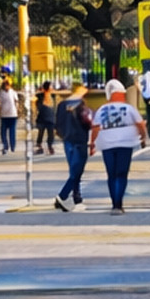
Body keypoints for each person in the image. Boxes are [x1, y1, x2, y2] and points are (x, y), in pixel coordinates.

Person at [90, 81, 146, 214]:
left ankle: (114, 203)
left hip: (107, 144)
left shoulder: (102, 110)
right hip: (125, 143)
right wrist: (143, 137)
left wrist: (92, 143)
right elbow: (140, 124)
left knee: (111, 174)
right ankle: (118, 204)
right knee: (121, 173)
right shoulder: (129, 108)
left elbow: (96, 128)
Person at [54, 82, 94, 212]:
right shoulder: (81, 104)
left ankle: (77, 197)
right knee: (77, 171)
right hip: (79, 139)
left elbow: (58, 124)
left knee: (73, 170)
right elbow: (88, 122)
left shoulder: (61, 105)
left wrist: (63, 134)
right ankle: (63, 196)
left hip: (67, 140)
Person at [0, 78, 20, 155]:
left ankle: (13, 146)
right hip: (4, 115)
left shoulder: (13, 92)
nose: (7, 86)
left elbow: (16, 102)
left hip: (12, 115)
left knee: (12, 132)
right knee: (3, 132)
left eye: (8, 85)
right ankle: (5, 146)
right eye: (6, 85)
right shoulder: (1, 93)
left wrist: (17, 110)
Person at [34, 86, 58, 156]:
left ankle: (49, 146)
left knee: (50, 134)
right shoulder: (40, 97)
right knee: (41, 133)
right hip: (43, 119)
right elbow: (39, 107)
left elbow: (54, 108)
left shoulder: (53, 96)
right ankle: (40, 146)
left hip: (50, 119)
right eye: (50, 88)